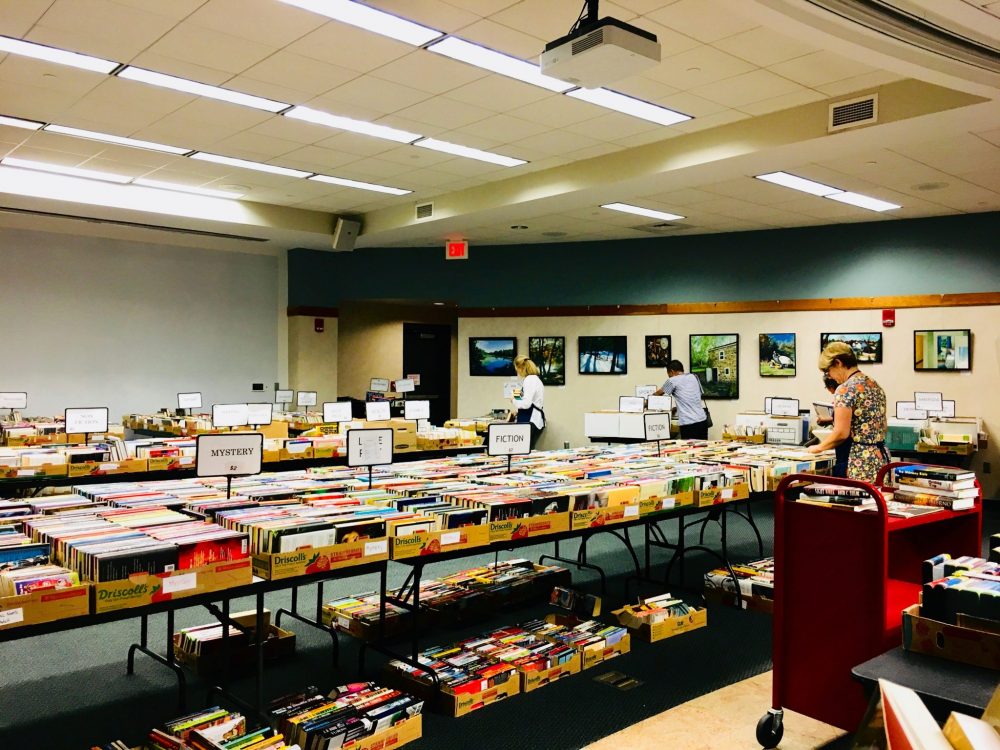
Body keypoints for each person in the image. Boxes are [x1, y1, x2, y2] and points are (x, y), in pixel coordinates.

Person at [808, 342, 889, 481]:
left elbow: (841, 433)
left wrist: (818, 448)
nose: (830, 376)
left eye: (828, 371)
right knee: (875, 501)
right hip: (880, 459)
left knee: (853, 502)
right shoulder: (874, 384)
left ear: (838, 363)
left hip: (857, 463)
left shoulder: (845, 389)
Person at [652, 359, 708, 440]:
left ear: (671, 371)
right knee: (702, 450)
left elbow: (657, 394)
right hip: (702, 421)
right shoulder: (694, 376)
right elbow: (692, 397)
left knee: (689, 451)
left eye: (669, 374)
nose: (669, 377)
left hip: (689, 424)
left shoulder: (672, 380)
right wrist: (677, 408)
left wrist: (645, 401)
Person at [510, 354, 545, 450]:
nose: (516, 371)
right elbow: (529, 400)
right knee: (528, 449)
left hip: (530, 420)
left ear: (521, 368)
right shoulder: (535, 379)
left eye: (516, 368)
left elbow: (526, 404)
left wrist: (513, 399)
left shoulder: (529, 380)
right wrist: (517, 396)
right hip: (534, 419)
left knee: (523, 450)